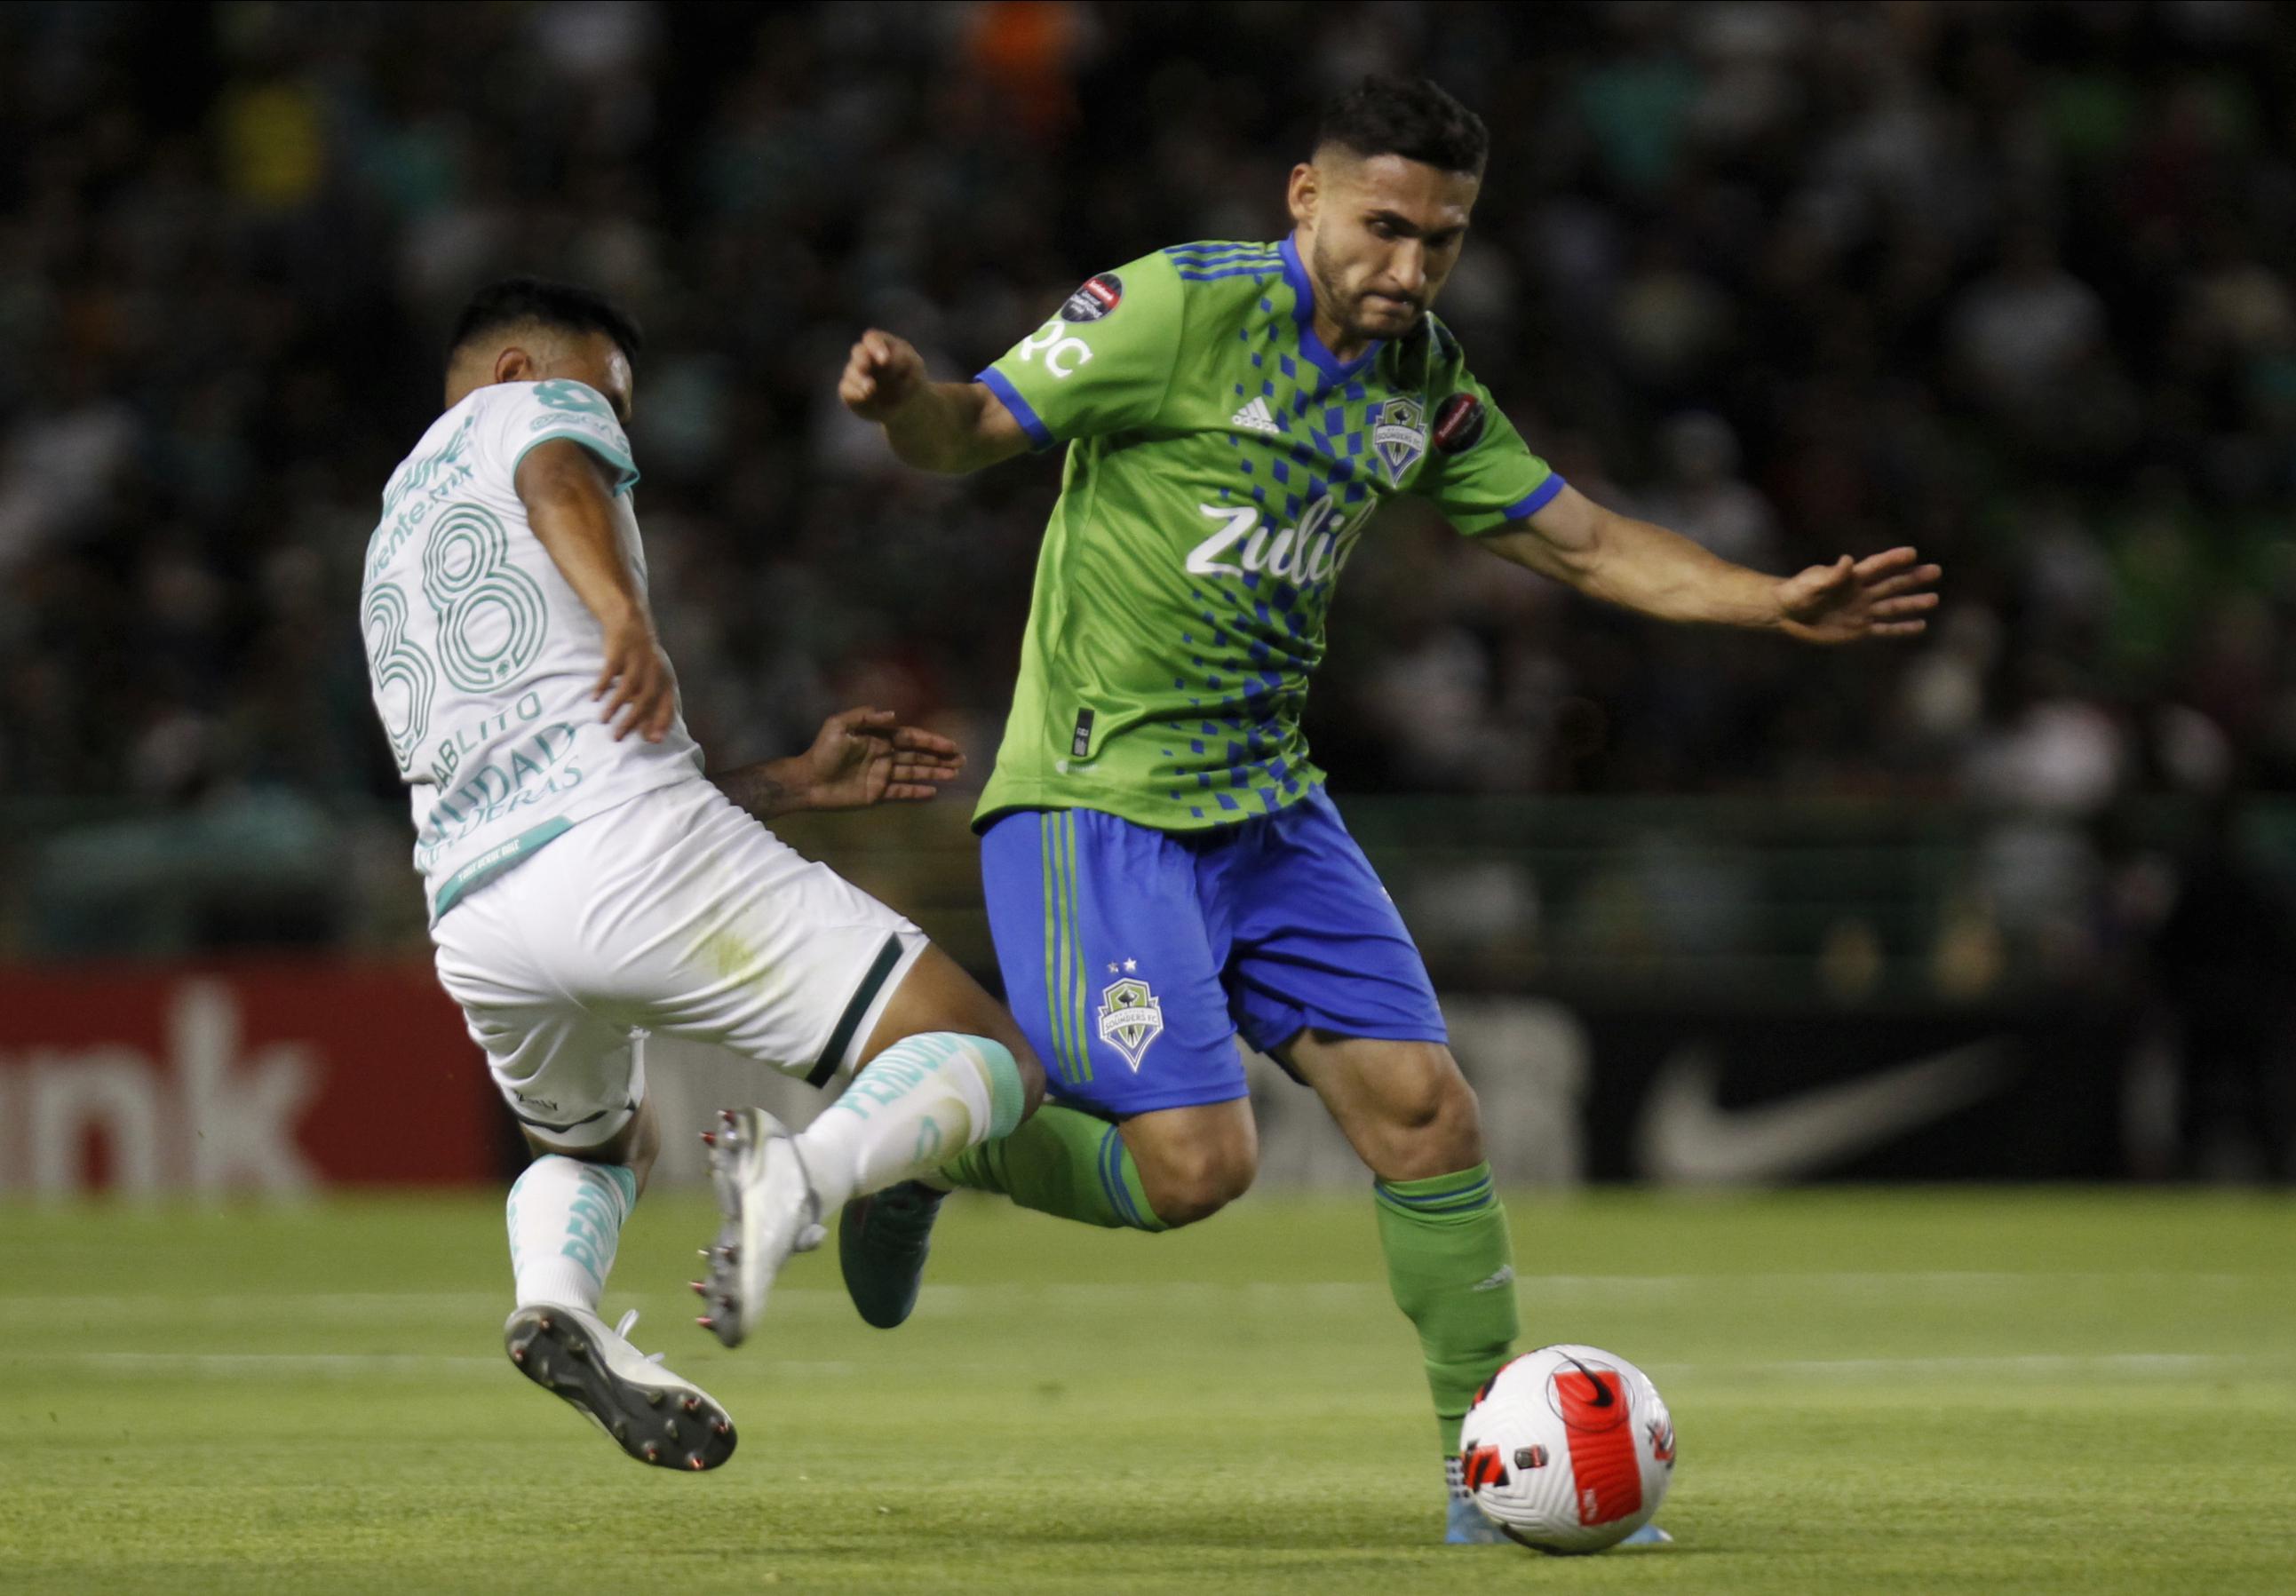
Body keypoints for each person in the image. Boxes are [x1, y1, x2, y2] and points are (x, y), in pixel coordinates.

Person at [835, 75, 1940, 1542]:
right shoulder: (1176, 307)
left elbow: (1584, 543)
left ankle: (1486, 1485)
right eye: (1383, 227)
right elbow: (973, 425)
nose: (1411, 267)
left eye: (1444, 238)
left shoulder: (1421, 382)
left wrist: (1766, 602)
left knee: (1426, 1115)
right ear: (1305, 197)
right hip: (1096, 805)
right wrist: (905, 406)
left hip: (1269, 808)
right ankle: (935, 1146)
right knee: (1193, 1171)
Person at [359, 276, 1045, 1471]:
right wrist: (626, 614)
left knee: (593, 1150)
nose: (610, 423)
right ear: (518, 372)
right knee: (985, 1052)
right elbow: (558, 475)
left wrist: (788, 782)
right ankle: (805, 1173)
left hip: (476, 912)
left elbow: (552, 763)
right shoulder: (530, 417)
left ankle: (556, 1301)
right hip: (630, 855)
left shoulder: (391, 536)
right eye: (603, 397)